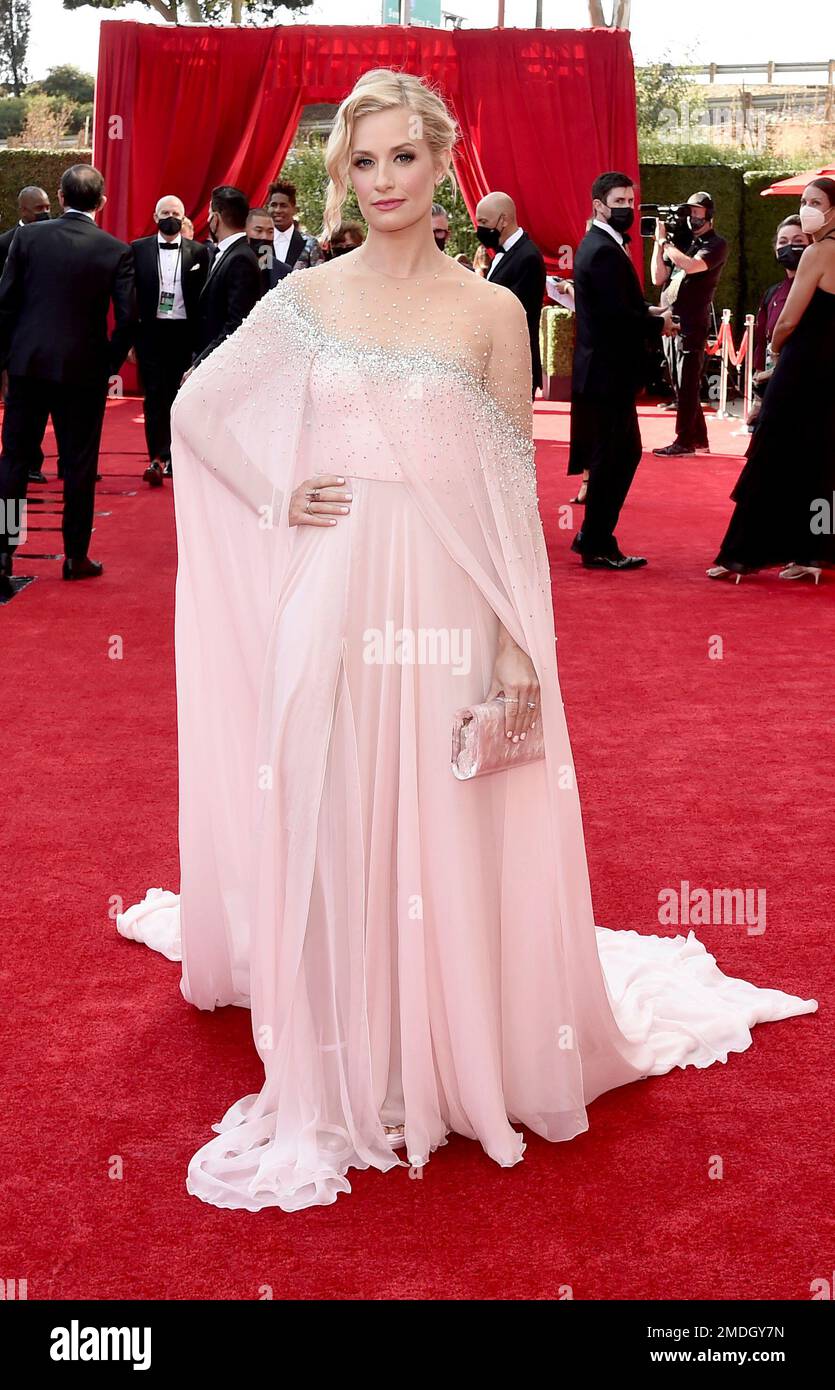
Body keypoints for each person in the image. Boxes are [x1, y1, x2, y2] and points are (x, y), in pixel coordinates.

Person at [116, 70, 816, 1213]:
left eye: (404, 157)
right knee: (336, 802)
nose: (384, 180)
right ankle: (354, 1053)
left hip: (445, 600)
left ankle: (452, 1046)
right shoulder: (308, 299)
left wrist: (510, 652)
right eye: (365, 160)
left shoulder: (495, 310)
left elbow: (504, 501)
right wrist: (275, 498)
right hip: (332, 595)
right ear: (342, 172)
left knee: (447, 806)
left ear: (443, 165)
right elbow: (196, 407)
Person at [0, 164, 135, 594]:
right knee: (79, 465)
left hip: (28, 367)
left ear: (59, 196)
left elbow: (4, 302)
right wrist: (107, 364)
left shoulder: (27, 237)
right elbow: (129, 319)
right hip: (83, 372)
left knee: (14, 461)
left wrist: (10, 357)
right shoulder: (115, 250)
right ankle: (75, 555)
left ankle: (3, 553)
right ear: (101, 202)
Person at [707, 178, 835, 585]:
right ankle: (812, 552)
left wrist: (778, 349)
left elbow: (787, 319)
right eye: (804, 201)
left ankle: (740, 554)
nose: (808, 207)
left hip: (802, 368)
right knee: (821, 463)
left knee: (770, 455)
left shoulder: (818, 252)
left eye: (815, 202)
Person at [568, 172, 675, 569]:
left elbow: (614, 305)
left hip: (605, 372)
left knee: (617, 455)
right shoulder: (601, 249)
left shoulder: (602, 245)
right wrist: (657, 323)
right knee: (617, 456)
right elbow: (614, 317)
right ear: (599, 205)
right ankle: (595, 541)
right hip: (607, 373)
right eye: (619, 202)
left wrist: (646, 312)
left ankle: (593, 537)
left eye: (630, 201)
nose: (627, 208)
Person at [129, 196, 209, 487]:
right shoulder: (137, 249)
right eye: (165, 213)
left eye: (175, 213)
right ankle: (157, 457)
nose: (170, 217)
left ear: (184, 216)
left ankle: (178, 456)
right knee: (154, 397)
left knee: (181, 397)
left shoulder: (199, 252)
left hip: (184, 334)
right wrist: (130, 339)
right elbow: (130, 295)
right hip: (150, 333)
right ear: (155, 216)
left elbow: (204, 297)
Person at [651, 192, 728, 457]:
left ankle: (684, 442)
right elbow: (657, 277)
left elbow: (692, 266)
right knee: (679, 383)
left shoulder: (716, 244)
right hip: (670, 320)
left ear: (709, 215)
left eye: (697, 212)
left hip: (692, 324)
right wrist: (658, 244)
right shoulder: (683, 243)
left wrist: (666, 244)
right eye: (690, 213)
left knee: (687, 384)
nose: (693, 218)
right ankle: (700, 439)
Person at [0, 185, 53, 483]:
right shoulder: (4, 244)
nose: (46, 213)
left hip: (42, 339)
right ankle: (20, 464)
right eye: (39, 210)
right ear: (22, 210)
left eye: (48, 208)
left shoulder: (56, 241)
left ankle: (32, 462)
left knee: (39, 405)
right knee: (17, 411)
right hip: (13, 341)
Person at [476, 191, 546, 399]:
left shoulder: (527, 257)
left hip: (513, 368)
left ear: (503, 220)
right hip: (499, 366)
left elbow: (514, 314)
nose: (479, 228)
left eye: (483, 221)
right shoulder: (506, 251)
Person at [747, 215, 812, 427]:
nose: (789, 247)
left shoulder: (820, 289)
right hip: (773, 384)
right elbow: (761, 339)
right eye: (783, 242)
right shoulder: (772, 293)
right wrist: (758, 395)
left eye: (798, 241)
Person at [189, 186, 260, 371]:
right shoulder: (225, 253)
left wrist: (201, 364)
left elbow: (236, 323)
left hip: (221, 366)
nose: (207, 220)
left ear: (216, 218)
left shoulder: (240, 258)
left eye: (209, 214)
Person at [266, 180, 325, 270]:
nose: (277, 210)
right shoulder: (261, 241)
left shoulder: (310, 243)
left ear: (294, 209)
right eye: (273, 205)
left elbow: (319, 276)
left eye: (283, 205)